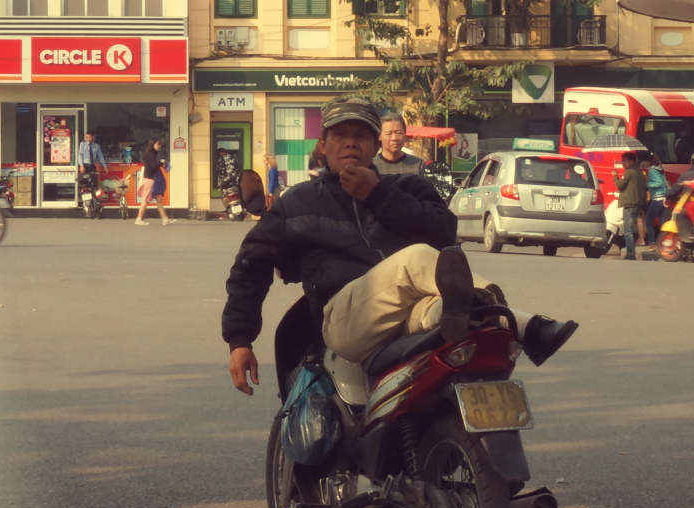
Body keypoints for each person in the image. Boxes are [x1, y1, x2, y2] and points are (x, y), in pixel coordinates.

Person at [223, 96, 575, 396]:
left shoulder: (409, 189)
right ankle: (521, 323)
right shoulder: (296, 203)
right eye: (340, 135)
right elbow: (251, 267)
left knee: (447, 307)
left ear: (375, 146)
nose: (350, 143)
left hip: (410, 318)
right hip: (344, 323)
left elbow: (445, 232)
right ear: (324, 145)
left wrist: (377, 195)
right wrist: (240, 341)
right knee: (420, 258)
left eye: (360, 136)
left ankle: (487, 316)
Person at [614, 151, 648, 261]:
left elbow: (620, 185)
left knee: (628, 231)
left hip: (629, 204)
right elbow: (644, 189)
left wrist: (615, 177)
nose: (623, 163)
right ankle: (631, 252)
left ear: (631, 161)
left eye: (624, 161)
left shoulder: (629, 172)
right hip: (638, 204)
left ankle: (630, 254)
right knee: (632, 229)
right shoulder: (640, 173)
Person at [134, 138, 175, 226]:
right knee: (145, 200)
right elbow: (153, 167)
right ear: (153, 145)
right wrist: (161, 162)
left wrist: (159, 162)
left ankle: (165, 219)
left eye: (160, 144)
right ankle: (138, 219)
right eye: (158, 144)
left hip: (152, 179)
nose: (159, 146)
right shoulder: (150, 154)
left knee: (159, 200)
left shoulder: (152, 154)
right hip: (149, 180)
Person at [373, 112, 426, 178]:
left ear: (405, 135)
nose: (394, 138)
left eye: (399, 133)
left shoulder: (417, 164)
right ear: (379, 136)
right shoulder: (371, 165)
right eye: (389, 133)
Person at [644, 153, 669, 247]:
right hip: (664, 198)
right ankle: (664, 242)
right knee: (662, 222)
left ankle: (652, 242)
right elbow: (665, 183)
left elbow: (658, 183)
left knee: (648, 221)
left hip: (657, 199)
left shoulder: (652, 170)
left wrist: (648, 184)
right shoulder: (661, 170)